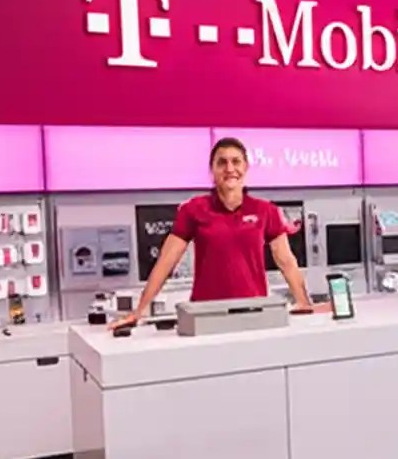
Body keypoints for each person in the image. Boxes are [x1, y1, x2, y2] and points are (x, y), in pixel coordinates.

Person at [109, 137, 311, 329]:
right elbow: (166, 261)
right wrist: (140, 310)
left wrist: (304, 302)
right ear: (212, 170)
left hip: (254, 311)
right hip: (205, 314)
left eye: (236, 161)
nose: (230, 169)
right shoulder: (193, 209)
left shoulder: (265, 210)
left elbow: (286, 261)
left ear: (246, 167)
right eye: (222, 163)